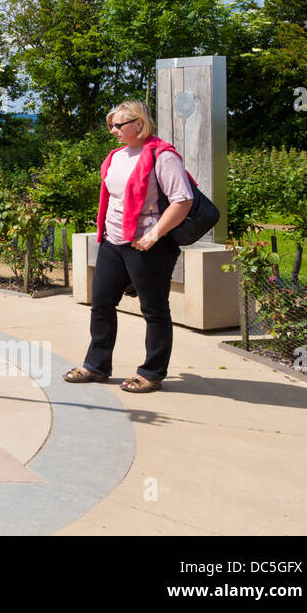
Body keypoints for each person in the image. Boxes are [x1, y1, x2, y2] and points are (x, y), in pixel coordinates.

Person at [64, 100, 194, 393]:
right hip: (113, 240)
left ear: (139, 124)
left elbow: (183, 200)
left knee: (154, 309)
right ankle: (96, 367)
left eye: (118, 125)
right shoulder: (116, 157)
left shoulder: (163, 156)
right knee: (101, 303)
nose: (113, 131)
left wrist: (154, 235)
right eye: (110, 125)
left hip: (148, 244)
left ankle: (151, 372)